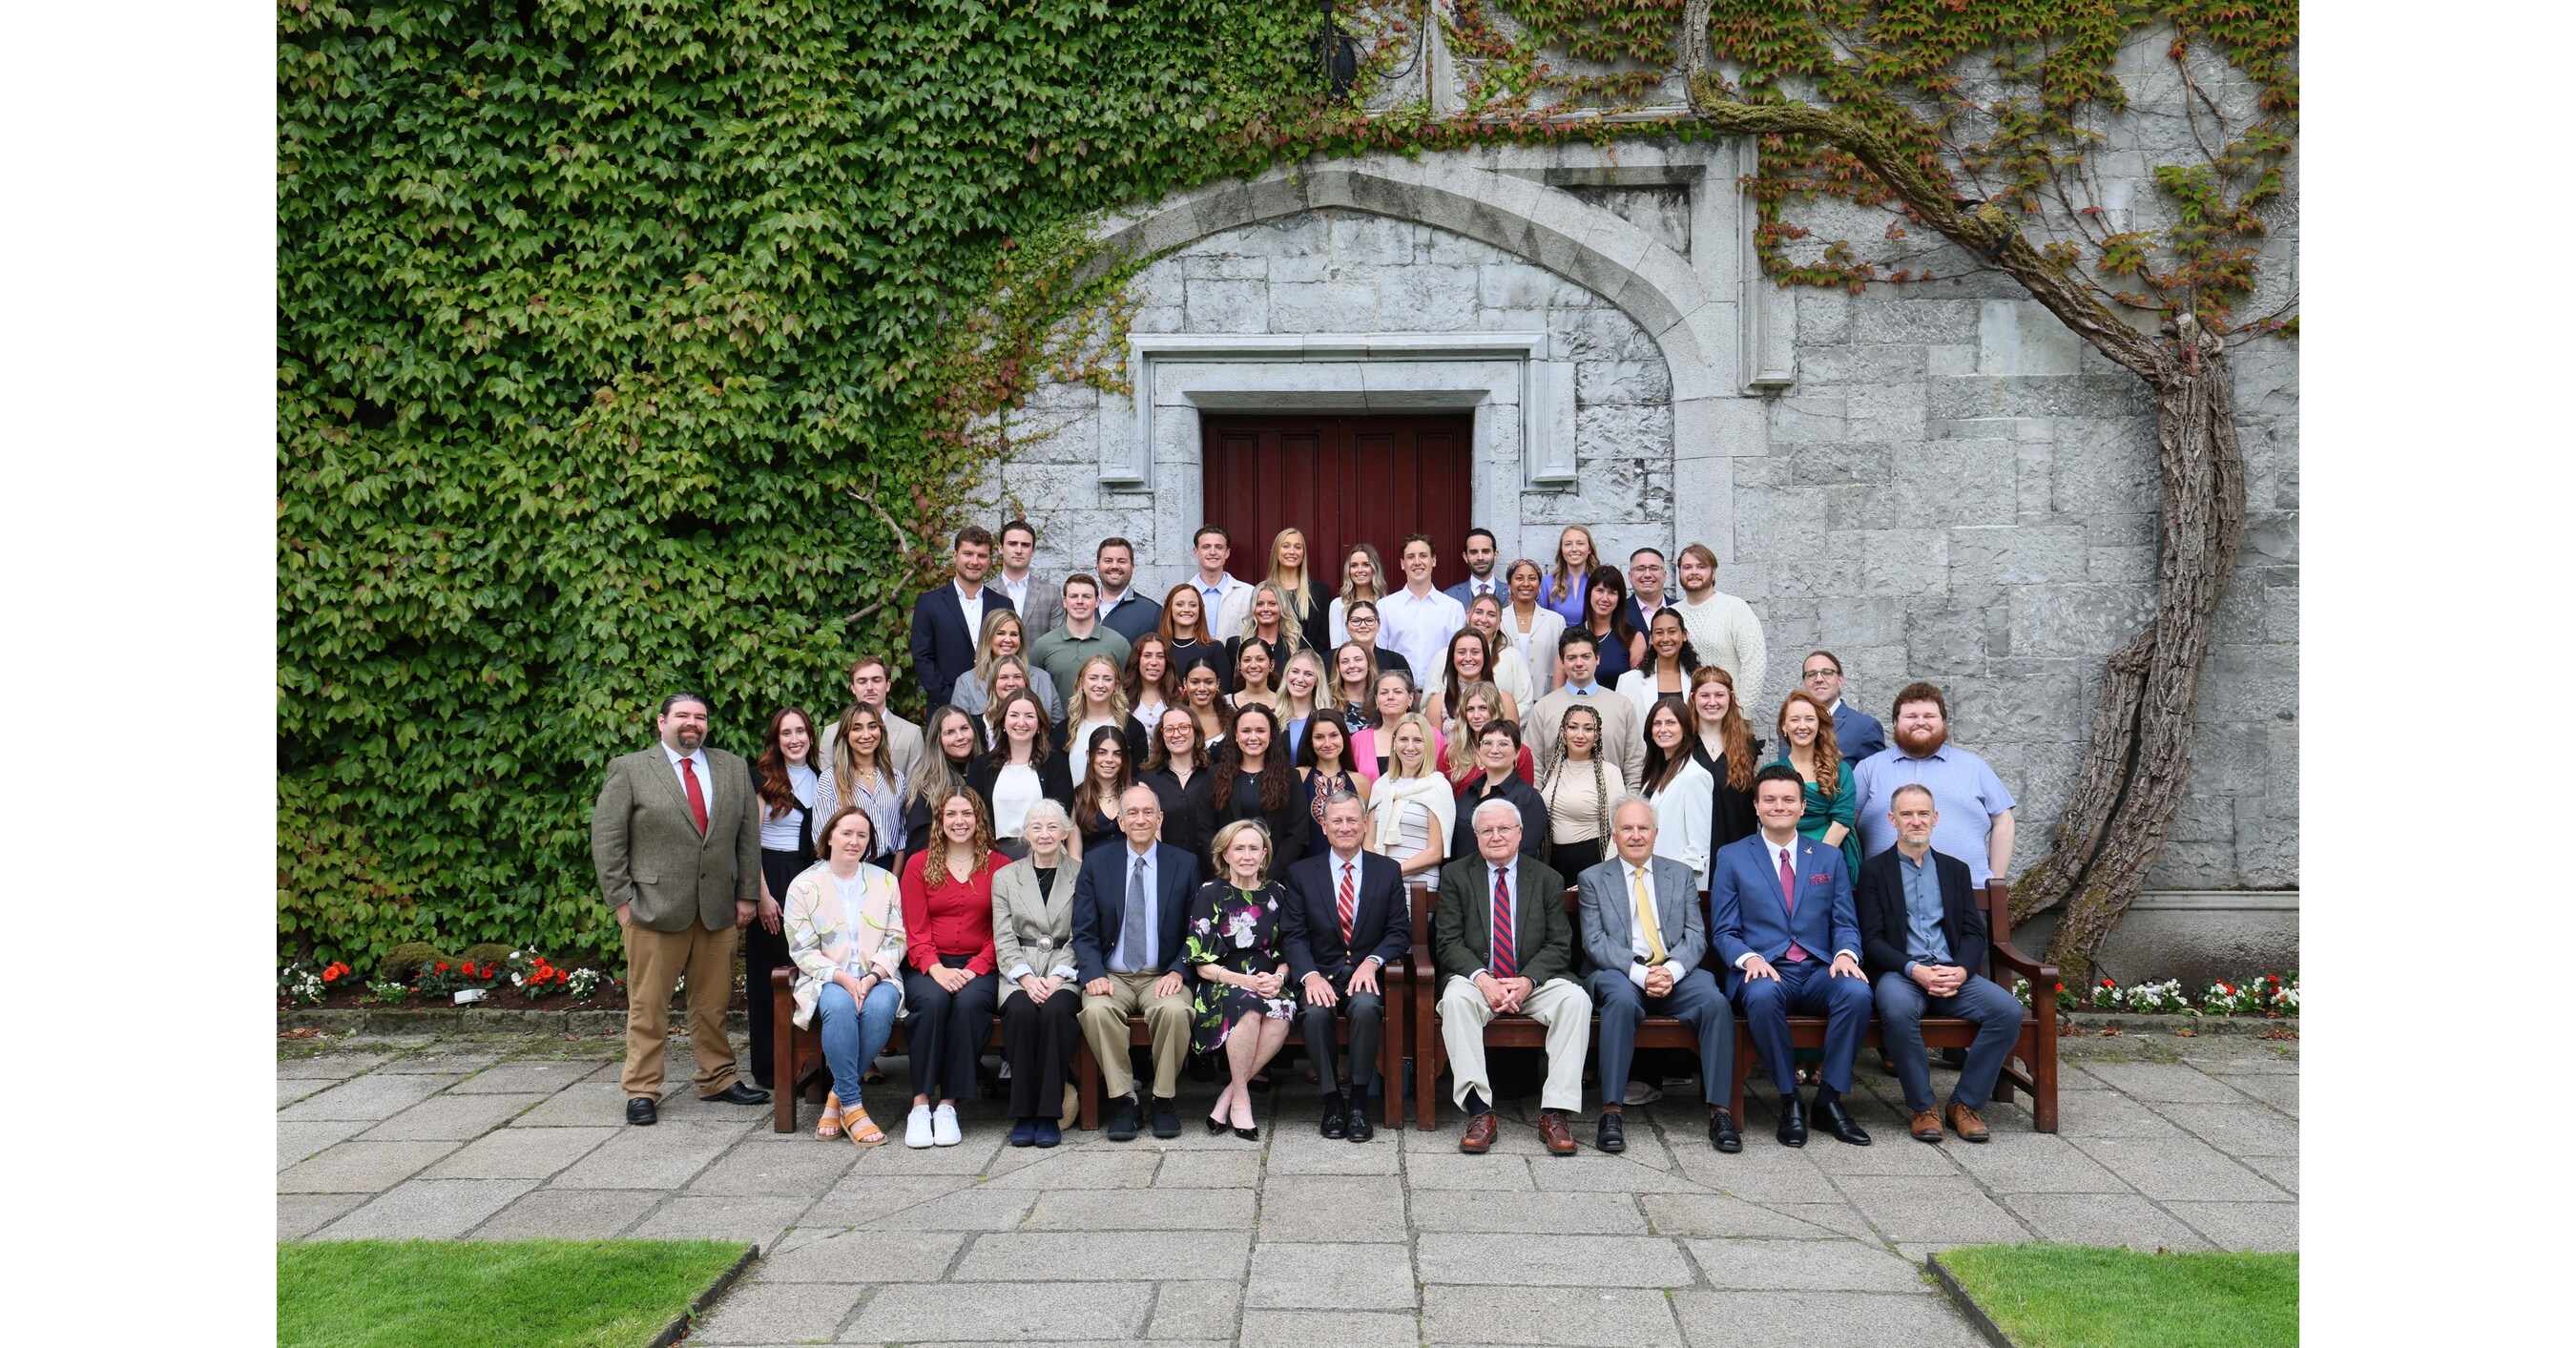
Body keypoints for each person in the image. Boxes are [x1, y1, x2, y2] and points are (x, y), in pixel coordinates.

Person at [591, 692, 770, 1126]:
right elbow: (608, 838)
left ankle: (719, 1079)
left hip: (716, 910)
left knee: (713, 1003)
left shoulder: (730, 767)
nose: (692, 723)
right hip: (652, 908)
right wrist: (621, 900)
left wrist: (747, 893)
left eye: (700, 717)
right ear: (661, 722)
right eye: (683, 716)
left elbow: (747, 838)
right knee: (648, 1005)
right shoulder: (631, 769)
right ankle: (641, 1089)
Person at [1711, 764, 1873, 1148]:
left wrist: (1847, 953)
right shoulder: (1733, 857)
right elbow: (1724, 931)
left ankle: (1830, 1100)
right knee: (1763, 997)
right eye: (1770, 799)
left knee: (1858, 993)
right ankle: (1790, 1100)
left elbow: (1845, 922)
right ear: (1756, 806)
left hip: (1820, 967)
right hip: (1765, 968)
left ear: (1802, 807)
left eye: (1788, 800)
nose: (1779, 806)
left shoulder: (1827, 858)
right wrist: (1748, 958)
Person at [1856, 784, 2025, 1145]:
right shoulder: (1874, 872)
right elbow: (1871, 941)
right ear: (1892, 820)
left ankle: (1965, 1104)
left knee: (2008, 1011)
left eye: (1922, 814)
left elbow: (1971, 932)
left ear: (1935, 818)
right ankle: (1923, 1108)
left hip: (1952, 974)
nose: (1915, 821)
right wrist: (1913, 970)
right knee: (1898, 1011)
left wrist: (1962, 970)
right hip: (1901, 974)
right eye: (1906, 814)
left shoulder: (1955, 870)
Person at [1578, 798, 1740, 1154]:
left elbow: (1695, 935)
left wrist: (1670, 970)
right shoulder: (1592, 878)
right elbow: (1594, 941)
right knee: (1619, 1002)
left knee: (1715, 1003)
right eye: (1627, 828)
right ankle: (1611, 1110)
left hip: (1675, 971)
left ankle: (1720, 1111)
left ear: (1655, 833)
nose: (1635, 836)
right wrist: (1640, 973)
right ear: (1613, 834)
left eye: (1643, 828)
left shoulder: (1678, 874)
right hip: (1620, 971)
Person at [1433, 800, 1588, 1155]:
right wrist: (1483, 979)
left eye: (1504, 828)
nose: (1496, 836)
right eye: (1487, 830)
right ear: (1475, 836)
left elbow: (1559, 944)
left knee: (1575, 999)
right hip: (1477, 980)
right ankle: (1479, 1112)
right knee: (1455, 1000)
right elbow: (1448, 941)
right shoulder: (1457, 875)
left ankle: (1555, 1112)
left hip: (1532, 982)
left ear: (1520, 833)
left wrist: (1528, 980)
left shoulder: (1547, 878)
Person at [1071, 784, 1201, 1141]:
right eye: (1132, 812)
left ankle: (1163, 1099)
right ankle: (1126, 1099)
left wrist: (1180, 969)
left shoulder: (1185, 863)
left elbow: (1197, 928)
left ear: (1160, 819)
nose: (1140, 819)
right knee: (1096, 1012)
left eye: (1148, 812)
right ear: (1120, 820)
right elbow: (1082, 929)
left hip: (1161, 974)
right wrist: (1093, 973)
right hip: (1112, 974)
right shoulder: (1098, 862)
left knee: (1174, 1011)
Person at [1282, 788, 1406, 1141]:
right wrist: (1308, 976)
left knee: (1367, 1009)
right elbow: (1293, 934)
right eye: (1336, 820)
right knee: (1316, 1012)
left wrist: (1372, 961)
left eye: (1353, 819)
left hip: (1365, 974)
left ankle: (1359, 1103)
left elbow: (1399, 931)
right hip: (1320, 972)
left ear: (1366, 823)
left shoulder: (1387, 871)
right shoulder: (1302, 873)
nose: (1345, 826)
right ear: (1323, 827)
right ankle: (1332, 1101)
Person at [782, 804, 905, 1147]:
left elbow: (897, 937)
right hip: (826, 978)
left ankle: (837, 1097)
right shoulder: (804, 885)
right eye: (846, 833)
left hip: (877, 976)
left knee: (880, 1008)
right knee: (839, 1007)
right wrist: (841, 977)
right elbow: (802, 949)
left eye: (862, 835)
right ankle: (854, 1105)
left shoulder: (885, 881)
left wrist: (872, 976)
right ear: (830, 837)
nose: (854, 841)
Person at [897, 790, 1008, 1147]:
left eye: (967, 813)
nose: (959, 822)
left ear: (979, 818)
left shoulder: (1000, 866)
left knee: (970, 1005)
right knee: (931, 1004)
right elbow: (914, 928)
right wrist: (935, 968)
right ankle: (920, 1104)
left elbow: (1002, 929)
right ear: (939, 821)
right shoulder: (918, 864)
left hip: (981, 965)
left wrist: (975, 967)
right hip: (929, 964)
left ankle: (948, 1105)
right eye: (951, 814)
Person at [1187, 820, 1298, 1141]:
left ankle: (1228, 1096)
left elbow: (1290, 947)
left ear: (1264, 855)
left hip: (1267, 979)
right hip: (1221, 981)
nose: (1247, 855)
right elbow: (1200, 962)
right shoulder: (1210, 893)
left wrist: (1279, 978)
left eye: (1254, 848)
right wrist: (1244, 981)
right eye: (1239, 848)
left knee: (1281, 1011)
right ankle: (1243, 1100)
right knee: (1249, 1008)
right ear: (1225, 854)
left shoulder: (1277, 893)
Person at [1851, 683, 2018, 887]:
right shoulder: (1869, 769)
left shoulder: (1974, 767)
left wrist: (1996, 881)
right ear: (1895, 722)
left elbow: (2004, 820)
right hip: (1887, 895)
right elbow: (1846, 824)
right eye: (1911, 716)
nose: (1920, 722)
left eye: (1929, 716)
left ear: (1944, 722)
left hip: (1967, 894)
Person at [991, 799, 1084, 1148]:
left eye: (1052, 827)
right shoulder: (1005, 877)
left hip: (1065, 967)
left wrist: (1059, 976)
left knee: (1058, 1013)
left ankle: (1048, 1114)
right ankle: (1023, 1113)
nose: (1045, 834)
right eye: (1036, 827)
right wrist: (1027, 979)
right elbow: (1002, 935)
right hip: (1019, 970)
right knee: (1020, 1013)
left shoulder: (1080, 873)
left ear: (1064, 832)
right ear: (1025, 834)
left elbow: (1084, 932)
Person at [745, 708, 821, 1091]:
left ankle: (808, 1063)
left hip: (809, 877)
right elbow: (750, 840)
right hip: (771, 877)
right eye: (786, 733)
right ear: (775, 740)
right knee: (769, 974)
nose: (794, 740)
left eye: (801, 732)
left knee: (807, 970)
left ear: (811, 736)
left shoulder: (823, 780)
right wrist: (761, 895)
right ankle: (770, 1068)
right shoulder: (763, 780)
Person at [1522, 630, 1645, 791]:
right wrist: (1536, 806)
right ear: (1562, 661)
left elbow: (1634, 764)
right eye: (1572, 658)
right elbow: (1534, 764)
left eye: (1586, 657)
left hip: (1611, 807)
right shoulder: (1544, 708)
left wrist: (1630, 804)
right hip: (1555, 809)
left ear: (1597, 659)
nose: (1579, 663)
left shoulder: (1622, 706)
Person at [910, 525, 1014, 711]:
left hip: (996, 708)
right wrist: (954, 700)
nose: (975, 561)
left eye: (982, 556)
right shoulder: (929, 603)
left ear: (990, 560)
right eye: (968, 554)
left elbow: (1010, 657)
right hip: (946, 707)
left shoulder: (1003, 604)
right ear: (955, 555)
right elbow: (923, 658)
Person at [1198, 702, 1315, 868]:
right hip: (1226, 875)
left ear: (1271, 735)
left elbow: (1298, 835)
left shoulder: (1291, 777)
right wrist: (1227, 870)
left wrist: (1269, 873)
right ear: (1235, 734)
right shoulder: (1214, 776)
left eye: (1260, 731)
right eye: (1246, 731)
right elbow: (1205, 832)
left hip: (1275, 876)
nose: (1253, 737)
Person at [965, 690, 1076, 861]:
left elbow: (1063, 813)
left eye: (1029, 716)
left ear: (1039, 723)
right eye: (1014, 715)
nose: (1021, 723)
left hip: (1044, 856)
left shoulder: (1055, 763)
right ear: (1003, 721)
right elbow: (973, 815)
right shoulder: (982, 766)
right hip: (993, 857)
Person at [1671, 542, 1768, 714]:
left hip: (1730, 716)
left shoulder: (1735, 608)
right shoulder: (1671, 614)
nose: (1694, 572)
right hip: (1685, 717)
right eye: (1687, 567)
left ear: (1713, 571)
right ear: (1680, 572)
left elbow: (1754, 662)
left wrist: (1743, 712)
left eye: (1701, 566)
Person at [1776, 689, 1862, 881]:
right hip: (1784, 862)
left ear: (1819, 724)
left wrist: (1815, 866)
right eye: (1795, 719)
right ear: (1784, 726)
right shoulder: (1772, 773)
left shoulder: (1841, 771)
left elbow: (1842, 822)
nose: (1802, 726)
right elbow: (1771, 822)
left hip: (1832, 861)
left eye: (1809, 719)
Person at [1364, 711, 1455, 888]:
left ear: (1428, 745)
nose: (1410, 747)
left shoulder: (1437, 786)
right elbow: (1369, 840)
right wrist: (1377, 872)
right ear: (1394, 743)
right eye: (1404, 739)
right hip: (1377, 882)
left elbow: (1436, 851)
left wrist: (1392, 873)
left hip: (1418, 885)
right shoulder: (1381, 785)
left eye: (1418, 740)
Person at [1639, 697, 1718, 892]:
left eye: (1671, 723)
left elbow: (1698, 848)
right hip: (1648, 879)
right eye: (1657, 723)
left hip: (1675, 887)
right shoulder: (1653, 775)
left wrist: (1676, 886)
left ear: (1685, 728)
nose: (1662, 729)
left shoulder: (1695, 776)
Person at [816, 705, 905, 868]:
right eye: (857, 728)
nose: (866, 735)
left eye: (872, 727)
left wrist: (893, 879)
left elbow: (902, 837)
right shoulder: (830, 779)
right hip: (845, 868)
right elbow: (821, 836)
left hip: (887, 869)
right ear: (846, 734)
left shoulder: (897, 778)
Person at [1449, 718, 1548, 865]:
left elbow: (1525, 855)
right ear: (1479, 749)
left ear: (1517, 752)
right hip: (1462, 882)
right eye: (1487, 743)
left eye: (1503, 744)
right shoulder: (1468, 794)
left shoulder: (1528, 799)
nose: (1494, 750)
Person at [1688, 668, 1764, 856]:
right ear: (1692, 698)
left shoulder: (1748, 747)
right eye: (1705, 695)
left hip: (1740, 849)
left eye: (1719, 695)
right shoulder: (1682, 745)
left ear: (1730, 697)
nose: (1712, 702)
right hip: (1695, 851)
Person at [1536, 701, 1615, 879]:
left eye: (1588, 729)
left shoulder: (1609, 773)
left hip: (1592, 863)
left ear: (1597, 735)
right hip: (1554, 862)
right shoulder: (1553, 770)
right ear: (1563, 732)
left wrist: (1607, 874)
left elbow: (1619, 829)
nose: (1580, 735)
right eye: (1573, 727)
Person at [1375, 533, 1466, 682]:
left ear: (1433, 561)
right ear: (1402, 564)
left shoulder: (1453, 608)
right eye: (1411, 557)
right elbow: (1379, 654)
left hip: (1441, 691)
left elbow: (1459, 654)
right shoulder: (1385, 607)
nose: (1417, 562)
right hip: (1397, 693)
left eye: (1423, 556)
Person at [1028, 572, 1132, 697]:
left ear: (1097, 601)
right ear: (1065, 602)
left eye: (1086, 596)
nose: (1080, 601)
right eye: (1074, 596)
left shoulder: (1118, 644)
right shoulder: (1043, 645)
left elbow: (1128, 691)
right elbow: (1033, 692)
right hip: (1058, 717)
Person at [952, 611, 1065, 723]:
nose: (1008, 640)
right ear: (988, 637)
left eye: (1014, 634)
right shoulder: (966, 682)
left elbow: (1057, 728)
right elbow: (959, 729)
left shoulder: (1042, 678)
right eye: (1000, 633)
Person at [901, 707, 979, 866]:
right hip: (944, 870)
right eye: (950, 732)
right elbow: (919, 847)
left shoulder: (988, 771)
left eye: (964, 728)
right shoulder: (926, 787)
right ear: (938, 739)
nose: (960, 737)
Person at [1139, 707, 1216, 864]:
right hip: (1168, 870)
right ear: (1162, 735)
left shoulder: (1214, 775)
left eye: (1183, 727)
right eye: (1169, 729)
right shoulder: (1147, 780)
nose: (1176, 734)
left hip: (1211, 870)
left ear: (1195, 730)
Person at [1351, 670, 1444, 783]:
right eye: (1384, 692)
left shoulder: (1432, 735)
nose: (1390, 697)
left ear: (1410, 699)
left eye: (1397, 692)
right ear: (1376, 700)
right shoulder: (1359, 740)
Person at [1617, 608, 1702, 727]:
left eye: (1672, 632)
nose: (1666, 639)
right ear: (1651, 638)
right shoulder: (1629, 681)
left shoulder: (1699, 679)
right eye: (1659, 633)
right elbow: (1620, 728)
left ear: (1684, 635)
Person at [846, 657, 924, 783]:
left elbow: (915, 790)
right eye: (862, 681)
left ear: (888, 685)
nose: (869, 687)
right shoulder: (832, 733)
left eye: (876, 680)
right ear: (853, 688)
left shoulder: (911, 733)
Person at [1801, 650, 1886, 764]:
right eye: (1811, 674)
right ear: (1804, 682)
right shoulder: (1790, 726)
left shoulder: (1864, 727)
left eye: (1827, 672)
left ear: (1840, 680)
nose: (1819, 679)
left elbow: (1875, 778)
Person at [1442, 682, 1532, 789]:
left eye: (1483, 708)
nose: (1476, 716)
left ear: (1496, 710)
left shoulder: (1519, 752)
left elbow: (1526, 799)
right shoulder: (1450, 753)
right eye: (1470, 709)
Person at [1426, 625, 1521, 727]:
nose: (1468, 658)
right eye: (1461, 652)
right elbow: (1433, 742)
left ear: (1485, 657)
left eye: (1475, 652)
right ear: (1452, 658)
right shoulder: (1437, 702)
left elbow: (1512, 741)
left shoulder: (1504, 700)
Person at [1262, 527, 1335, 656]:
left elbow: (1322, 637)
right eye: (1286, 546)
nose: (1292, 551)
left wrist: (1310, 661)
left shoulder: (1320, 591)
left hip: (1309, 664)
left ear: (1303, 553)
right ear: (1276, 551)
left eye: (1297, 547)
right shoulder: (1263, 591)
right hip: (1272, 663)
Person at [1497, 559, 1566, 695]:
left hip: (1545, 697)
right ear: (1510, 585)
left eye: (1532, 578)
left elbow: (1563, 663)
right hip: (1506, 699)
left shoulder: (1555, 621)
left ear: (1539, 585)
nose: (1526, 584)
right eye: (1519, 578)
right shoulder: (1498, 619)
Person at [1462, 593, 1539, 709]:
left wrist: (1499, 725)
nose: (1483, 619)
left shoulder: (1513, 656)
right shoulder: (1446, 655)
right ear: (1468, 616)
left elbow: (1525, 702)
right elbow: (1432, 702)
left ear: (1498, 622)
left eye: (1491, 615)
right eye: (1478, 612)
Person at [991, 518, 1064, 636]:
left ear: (1033, 551)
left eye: (1025, 545)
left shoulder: (1051, 593)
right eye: (1012, 544)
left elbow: (1056, 644)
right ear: (1000, 548)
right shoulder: (986, 591)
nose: (1018, 550)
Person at [1297, 714, 1370, 829]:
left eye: (1334, 736)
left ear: (1344, 738)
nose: (1327, 744)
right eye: (1319, 737)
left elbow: (1364, 829)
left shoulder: (1360, 782)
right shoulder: (1299, 776)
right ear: (1310, 741)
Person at [1158, 583, 1234, 695]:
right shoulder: (1159, 648)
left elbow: (1223, 694)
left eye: (1192, 605)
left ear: (1200, 610)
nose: (1186, 609)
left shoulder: (1214, 648)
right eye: (1180, 604)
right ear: (1170, 609)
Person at [1228, 579, 1306, 687]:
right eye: (1259, 604)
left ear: (1282, 607)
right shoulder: (1236, 645)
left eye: (1272, 604)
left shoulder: (1297, 644)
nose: (1265, 609)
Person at [1059, 653, 1130, 770]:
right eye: (1093, 678)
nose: (1100, 685)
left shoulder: (1132, 727)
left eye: (1107, 679)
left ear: (1116, 685)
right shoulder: (1064, 729)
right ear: (1081, 683)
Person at [1070, 724, 1133, 855]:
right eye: (1102, 753)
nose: (1109, 759)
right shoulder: (1078, 797)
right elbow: (1074, 857)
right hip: (1092, 874)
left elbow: (1154, 847)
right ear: (1089, 755)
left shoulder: (1139, 790)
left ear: (1124, 759)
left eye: (1117, 754)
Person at [1189, 524, 1257, 637]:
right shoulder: (1181, 594)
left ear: (1227, 553)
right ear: (1196, 552)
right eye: (1206, 547)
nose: (1212, 552)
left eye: (1219, 547)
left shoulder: (1249, 593)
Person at [1093, 536, 1163, 644]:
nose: (1114, 566)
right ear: (1097, 565)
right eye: (1108, 561)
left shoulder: (1152, 613)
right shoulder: (1077, 606)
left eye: (1121, 561)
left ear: (1132, 567)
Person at [1577, 563, 1639, 684]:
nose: (1605, 598)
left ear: (1619, 599)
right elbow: (1559, 689)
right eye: (1600, 591)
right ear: (1589, 593)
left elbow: (1637, 689)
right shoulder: (1570, 636)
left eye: (1612, 593)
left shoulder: (1633, 637)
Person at [1121, 633, 1177, 762]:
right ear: (1137, 660)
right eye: (1147, 656)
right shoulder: (1121, 699)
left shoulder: (1178, 700)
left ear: (1167, 662)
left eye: (1160, 657)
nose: (1154, 662)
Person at [1275, 648, 1331, 761]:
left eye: (1308, 674)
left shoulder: (1329, 719)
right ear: (1287, 675)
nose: (1300, 679)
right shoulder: (1272, 718)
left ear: (1317, 680)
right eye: (1295, 671)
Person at [1337, 600, 1412, 685]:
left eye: (1369, 620)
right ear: (1346, 627)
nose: (1363, 626)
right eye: (1356, 621)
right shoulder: (1329, 660)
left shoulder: (1396, 661)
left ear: (1379, 625)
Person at [1537, 525, 1598, 628]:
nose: (1574, 549)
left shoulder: (1598, 581)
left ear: (1589, 549)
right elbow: (1540, 621)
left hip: (1593, 641)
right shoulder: (1546, 583)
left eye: (1580, 543)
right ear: (1561, 550)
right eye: (1568, 544)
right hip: (1556, 641)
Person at [1327, 542, 1385, 649]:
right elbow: (1336, 648)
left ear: (1375, 568)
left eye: (1366, 565)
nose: (1359, 570)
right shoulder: (1338, 605)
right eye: (1354, 565)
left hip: (1382, 664)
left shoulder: (1386, 604)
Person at [1177, 662, 1233, 757]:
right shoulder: (1173, 719)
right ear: (1185, 683)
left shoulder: (1232, 719)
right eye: (1195, 682)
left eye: (1209, 682)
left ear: (1217, 683)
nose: (1202, 688)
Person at [1442, 526, 1503, 609]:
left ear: (1495, 554)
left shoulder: (1512, 593)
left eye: (1485, 551)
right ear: (1465, 557)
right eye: (1474, 552)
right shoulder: (1449, 596)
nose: (1480, 557)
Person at [1329, 640, 1380, 735]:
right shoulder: (1329, 704)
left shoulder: (1380, 703)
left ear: (1369, 664)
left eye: (1358, 660)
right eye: (1345, 662)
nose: (1352, 665)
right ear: (1338, 668)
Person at [1622, 547, 1672, 640]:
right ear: (1630, 576)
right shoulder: (1617, 613)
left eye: (1654, 568)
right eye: (1640, 569)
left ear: (1665, 575)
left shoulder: (1680, 609)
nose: (1647, 575)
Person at [1228, 634, 1280, 709]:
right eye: (1247, 660)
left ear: (1271, 664)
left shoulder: (1284, 703)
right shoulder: (1226, 703)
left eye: (1260, 659)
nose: (1253, 666)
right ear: (1240, 665)